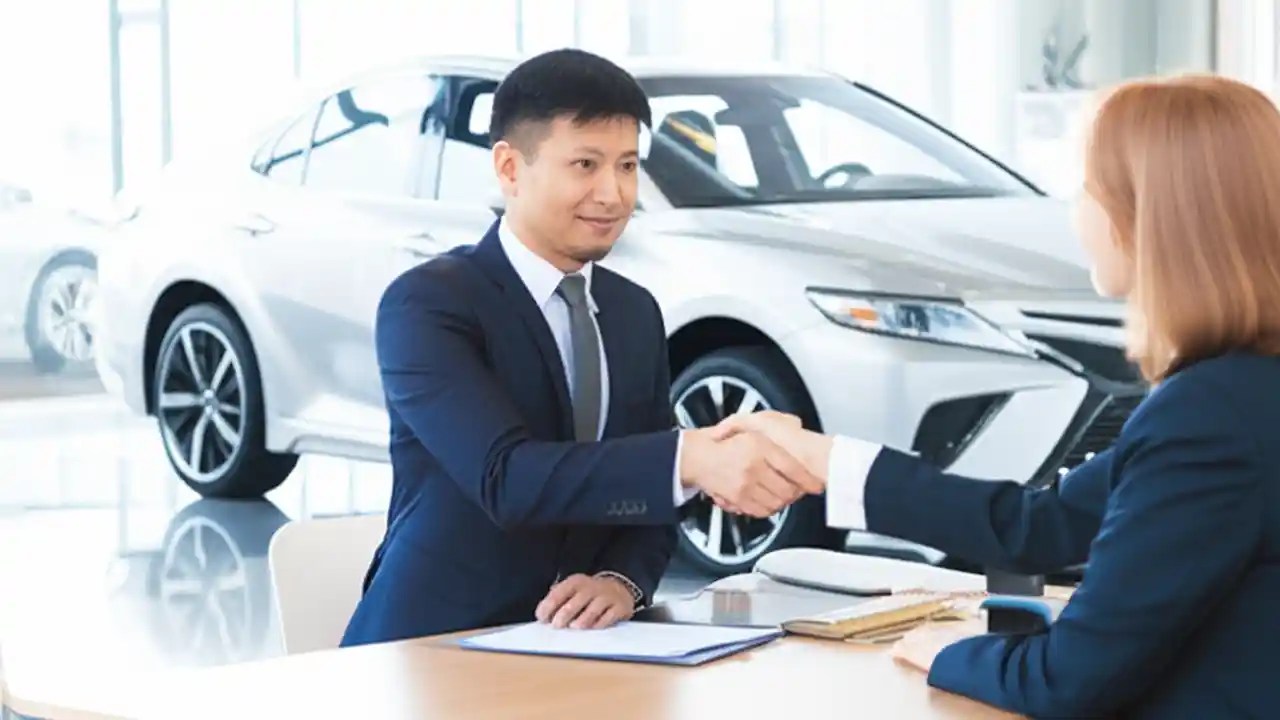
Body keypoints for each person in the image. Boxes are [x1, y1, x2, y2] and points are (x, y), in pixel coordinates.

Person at [715, 74, 1280, 719]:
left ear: (1147, 217)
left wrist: (949, 652)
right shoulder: (1238, 393)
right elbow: (1040, 525)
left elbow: (1066, 681)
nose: (1076, 212)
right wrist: (823, 460)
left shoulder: (1205, 419)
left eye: (1088, 188)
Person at [341, 49, 821, 647]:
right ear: (510, 168)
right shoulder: (428, 304)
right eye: (585, 165)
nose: (613, 194)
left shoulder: (633, 310)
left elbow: (650, 502)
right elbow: (506, 478)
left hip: (584, 648)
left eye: (627, 165)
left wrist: (622, 581)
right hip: (429, 649)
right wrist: (691, 458)